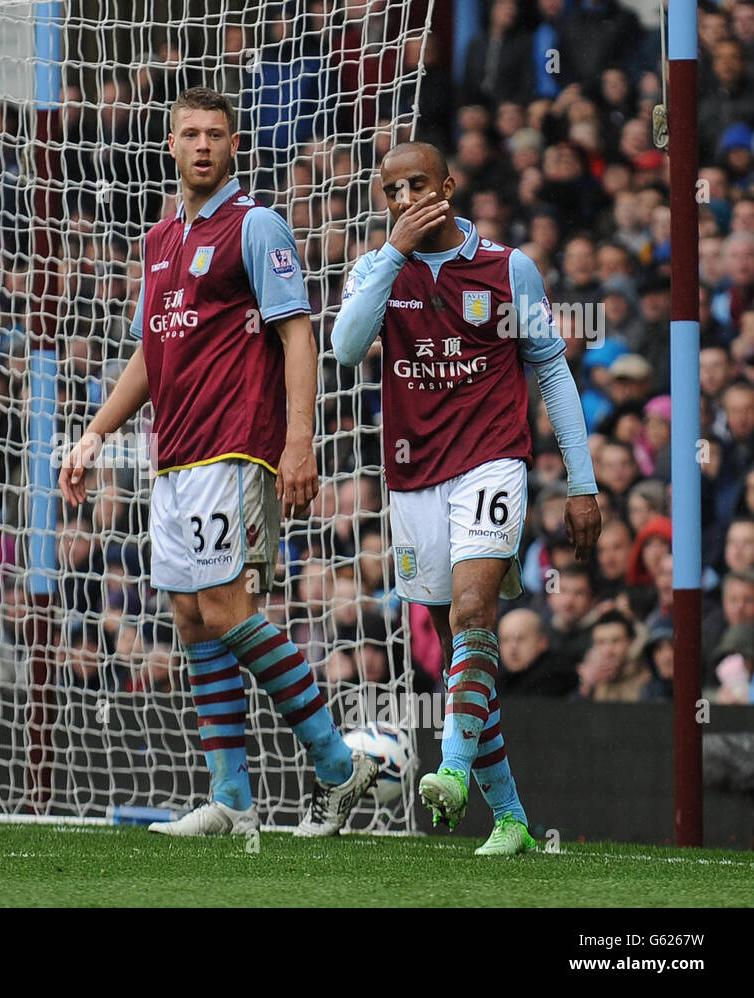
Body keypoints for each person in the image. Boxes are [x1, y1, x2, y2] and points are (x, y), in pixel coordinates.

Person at [59, 87, 377, 838]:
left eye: (215, 134)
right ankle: (232, 799)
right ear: (170, 146)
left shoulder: (255, 224)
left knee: (228, 610)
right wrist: (96, 433)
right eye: (189, 134)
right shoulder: (159, 238)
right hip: (174, 454)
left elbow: (297, 334)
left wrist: (300, 441)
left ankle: (337, 767)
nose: (201, 145)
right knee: (193, 620)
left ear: (234, 146)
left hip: (236, 447)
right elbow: (150, 351)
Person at [332, 141, 601, 854]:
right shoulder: (378, 269)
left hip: (492, 461)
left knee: (477, 610)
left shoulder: (506, 268)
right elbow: (345, 347)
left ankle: (450, 771)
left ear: (448, 186)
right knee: (460, 642)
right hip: (415, 476)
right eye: (392, 190)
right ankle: (510, 816)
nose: (405, 199)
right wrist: (391, 256)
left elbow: (552, 373)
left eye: (418, 185)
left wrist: (582, 482)